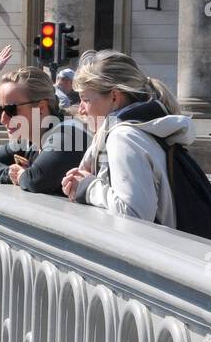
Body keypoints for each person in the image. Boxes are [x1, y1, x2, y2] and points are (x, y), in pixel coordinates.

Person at [61, 50, 192, 226]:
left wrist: (87, 187)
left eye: (85, 99)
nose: (81, 109)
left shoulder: (123, 137)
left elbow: (135, 214)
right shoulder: (141, 128)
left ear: (114, 97)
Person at [0, 67, 91, 196]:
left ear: (41, 107)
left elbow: (37, 180)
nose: (3, 119)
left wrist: (22, 176)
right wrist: (10, 173)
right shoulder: (30, 139)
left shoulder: (68, 134)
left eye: (11, 110)